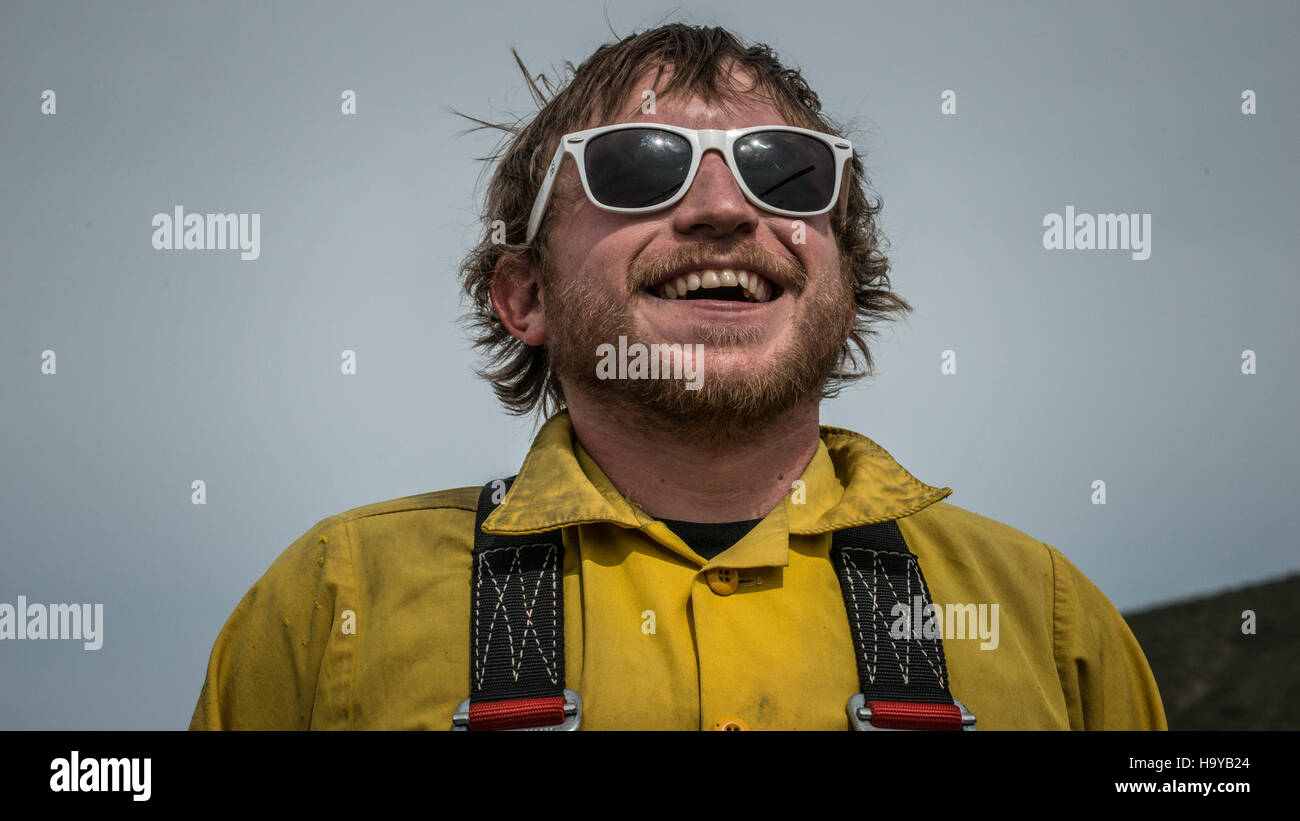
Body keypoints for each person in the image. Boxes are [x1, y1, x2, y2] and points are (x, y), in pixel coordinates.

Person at [189, 23, 1167, 731]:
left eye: (783, 172)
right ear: (522, 296)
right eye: (633, 169)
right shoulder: (334, 602)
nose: (719, 209)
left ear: (846, 276)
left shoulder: (1047, 616)